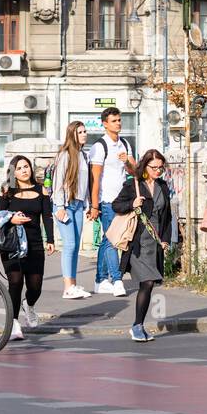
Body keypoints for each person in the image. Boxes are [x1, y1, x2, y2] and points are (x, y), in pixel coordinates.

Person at [111, 150, 174, 342]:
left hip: (154, 242)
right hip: (138, 242)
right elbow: (116, 205)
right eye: (153, 167)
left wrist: (165, 239)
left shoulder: (162, 186)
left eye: (160, 168)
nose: (157, 171)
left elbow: (167, 216)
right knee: (146, 281)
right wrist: (132, 203)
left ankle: (139, 325)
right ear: (144, 166)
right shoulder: (133, 184)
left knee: (149, 285)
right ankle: (137, 326)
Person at [0, 155, 55, 341]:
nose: (24, 170)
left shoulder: (41, 190)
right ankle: (12, 323)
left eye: (26, 166)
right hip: (12, 244)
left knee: (35, 286)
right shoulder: (7, 191)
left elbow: (47, 216)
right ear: (14, 171)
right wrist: (11, 219)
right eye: (19, 168)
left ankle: (28, 305)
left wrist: (50, 239)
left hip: (35, 243)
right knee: (15, 282)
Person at [90, 106, 135, 297]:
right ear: (105, 124)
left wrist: (127, 161)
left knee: (108, 240)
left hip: (123, 199)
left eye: (119, 120)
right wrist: (94, 205)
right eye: (114, 121)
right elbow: (95, 179)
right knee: (112, 240)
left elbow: (135, 171)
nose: (118, 123)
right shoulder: (100, 146)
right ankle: (117, 279)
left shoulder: (125, 143)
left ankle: (100, 280)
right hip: (106, 200)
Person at [50, 121, 93, 300]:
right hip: (65, 205)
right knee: (69, 245)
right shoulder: (65, 155)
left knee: (75, 247)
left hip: (77, 204)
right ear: (72, 135)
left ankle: (73, 284)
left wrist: (88, 203)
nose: (84, 134)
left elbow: (85, 182)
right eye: (80, 132)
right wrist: (60, 207)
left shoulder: (83, 155)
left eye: (85, 131)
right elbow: (58, 182)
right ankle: (68, 288)